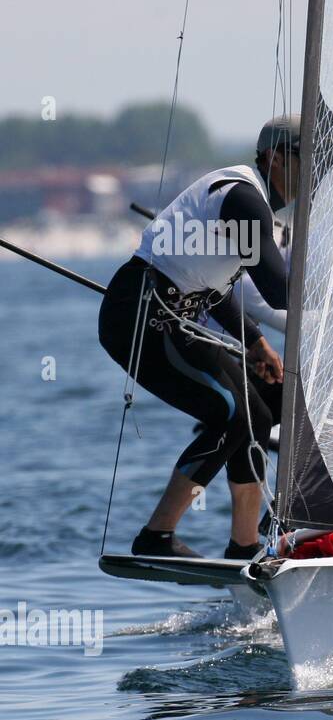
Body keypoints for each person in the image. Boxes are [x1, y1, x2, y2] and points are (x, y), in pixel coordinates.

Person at [98, 114, 300, 560]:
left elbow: (210, 285)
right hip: (139, 317)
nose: (312, 173)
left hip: (176, 314)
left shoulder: (248, 199)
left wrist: (255, 343)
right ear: (275, 158)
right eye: (305, 158)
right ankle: (156, 537)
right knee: (229, 411)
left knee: (264, 407)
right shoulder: (245, 200)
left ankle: (244, 546)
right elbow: (278, 290)